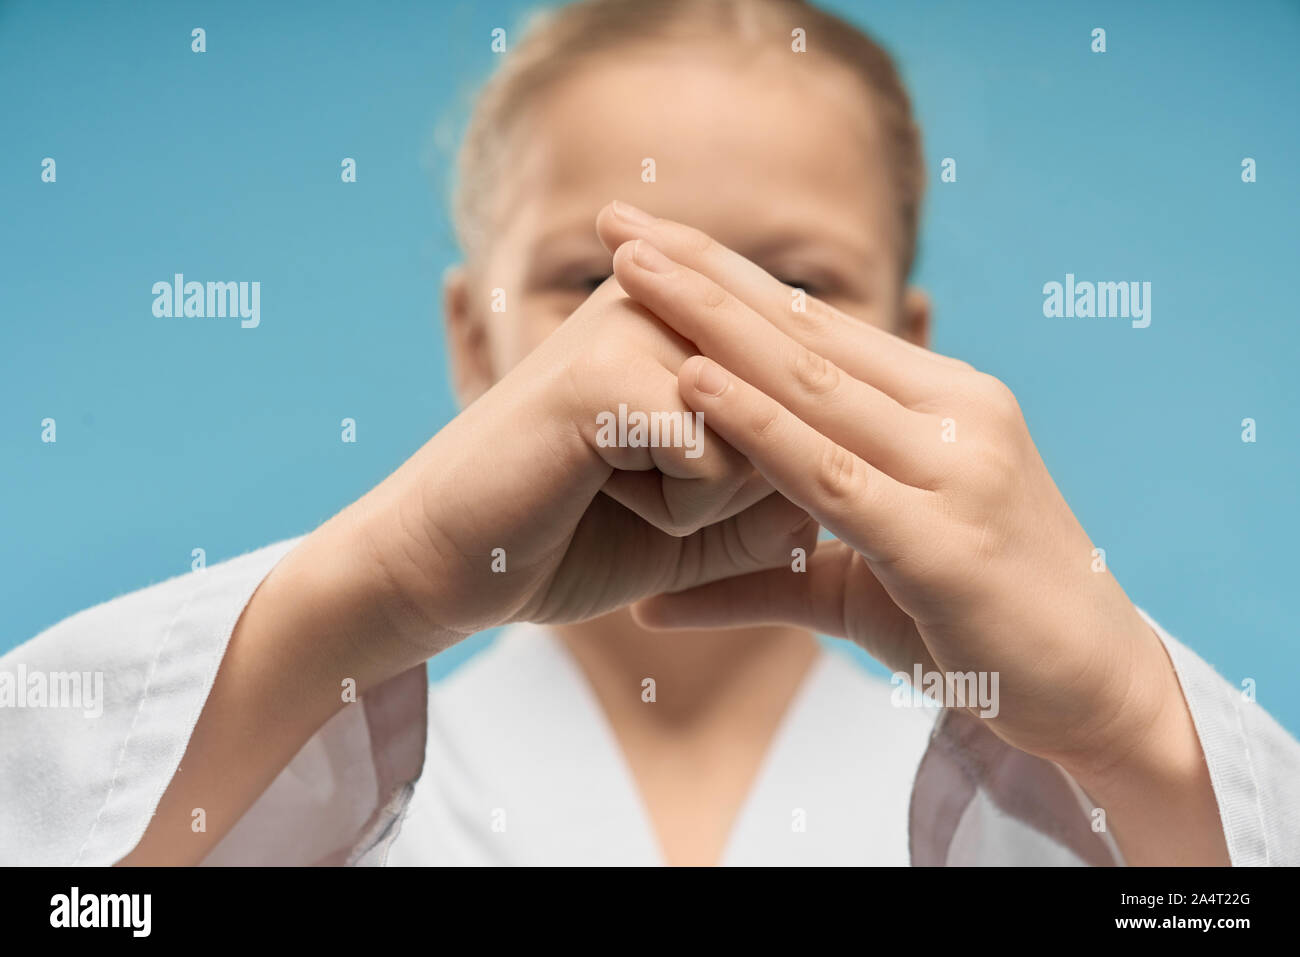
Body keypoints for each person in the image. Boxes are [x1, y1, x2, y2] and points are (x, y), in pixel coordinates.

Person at [2, 0, 1296, 867]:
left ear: (907, 345)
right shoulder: (291, 789)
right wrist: (363, 593)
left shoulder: (1061, 811)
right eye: (597, 281)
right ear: (474, 341)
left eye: (796, 286)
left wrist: (1135, 725)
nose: (698, 347)